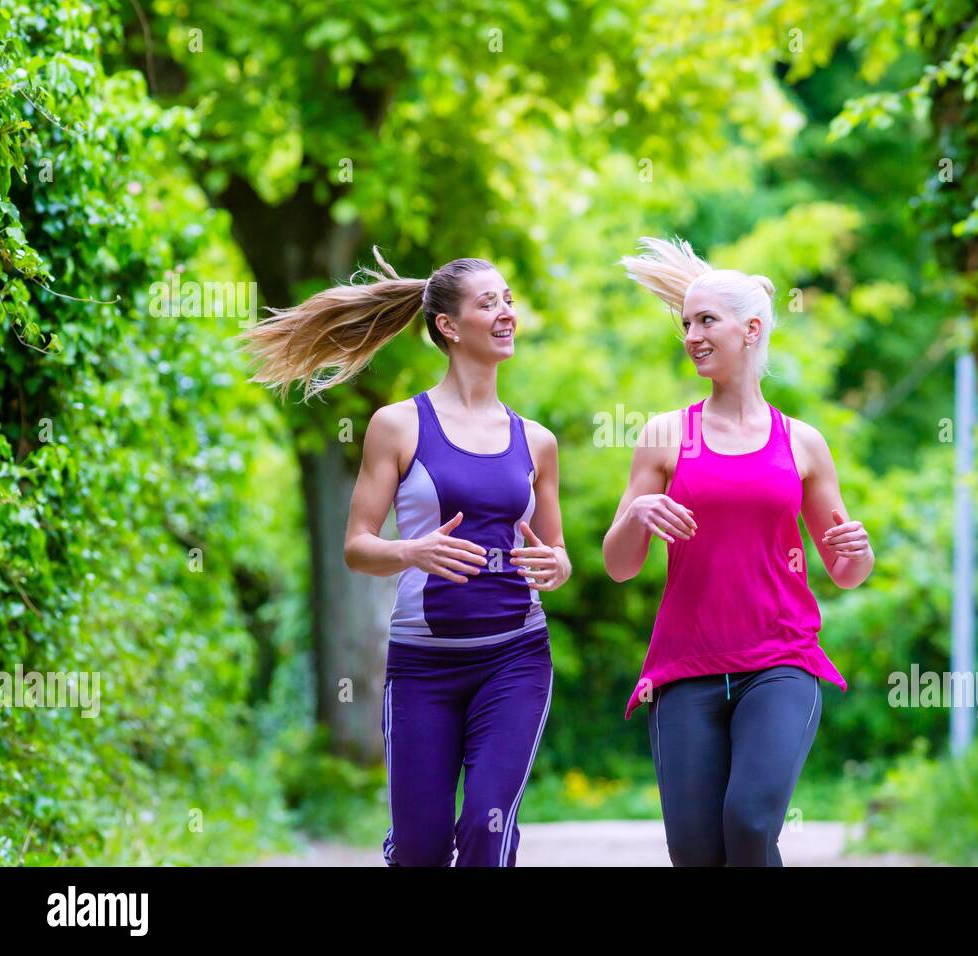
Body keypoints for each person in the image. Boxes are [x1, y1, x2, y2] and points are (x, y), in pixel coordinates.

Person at [240, 249, 570, 866]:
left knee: (485, 831)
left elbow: (554, 553)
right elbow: (357, 547)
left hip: (515, 660)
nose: (506, 314)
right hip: (424, 667)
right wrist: (411, 550)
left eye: (509, 300)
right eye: (488, 302)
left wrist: (558, 566)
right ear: (448, 326)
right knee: (419, 850)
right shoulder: (397, 426)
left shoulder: (538, 441)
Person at [602, 237, 873, 867]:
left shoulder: (802, 443)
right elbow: (619, 565)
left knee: (749, 826)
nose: (692, 335)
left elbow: (846, 570)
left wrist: (858, 548)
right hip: (685, 666)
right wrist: (638, 513)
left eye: (706, 321)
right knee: (697, 854)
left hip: (781, 659)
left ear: (750, 330)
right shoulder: (666, 435)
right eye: (686, 323)